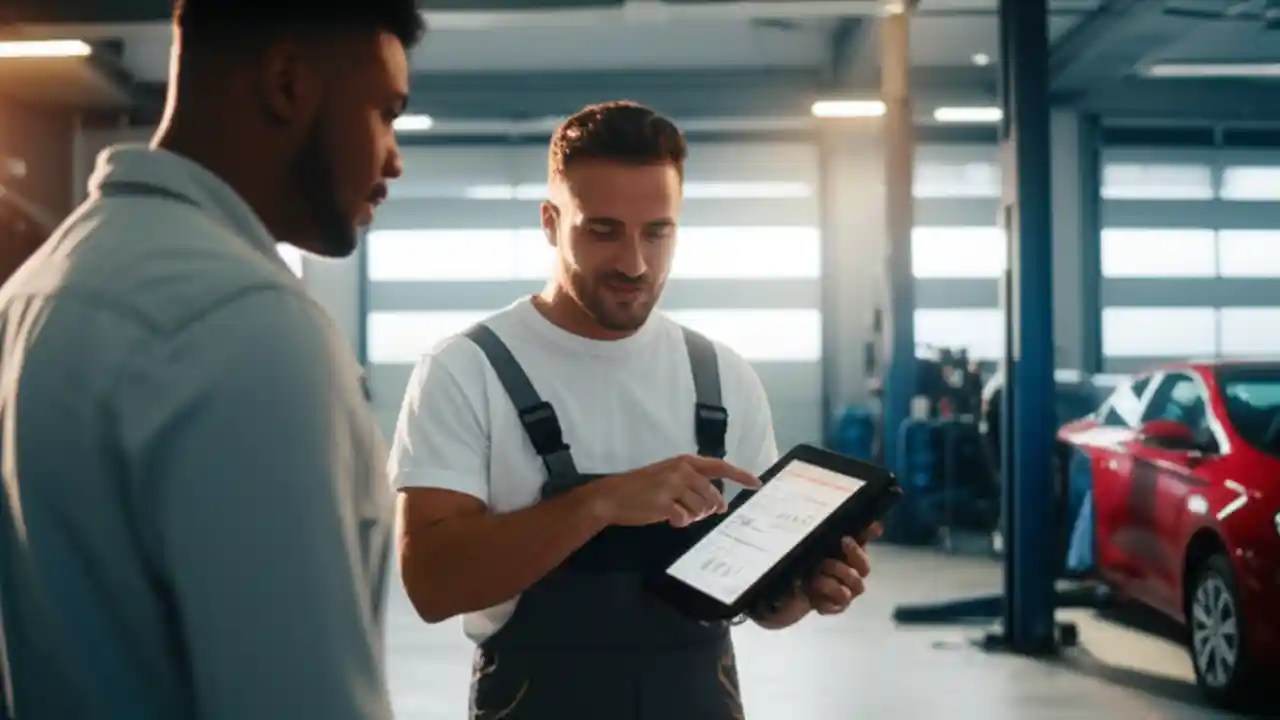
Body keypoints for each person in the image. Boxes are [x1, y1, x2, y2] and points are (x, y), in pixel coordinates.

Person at [0, 1, 425, 718]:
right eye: (385, 112)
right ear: (288, 82)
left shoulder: (33, 292)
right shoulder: (248, 327)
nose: (393, 156)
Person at [390, 101, 880, 720]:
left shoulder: (723, 377)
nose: (634, 263)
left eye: (657, 231)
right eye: (603, 230)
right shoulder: (467, 370)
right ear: (549, 222)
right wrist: (601, 504)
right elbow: (432, 586)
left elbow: (760, 603)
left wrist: (802, 590)